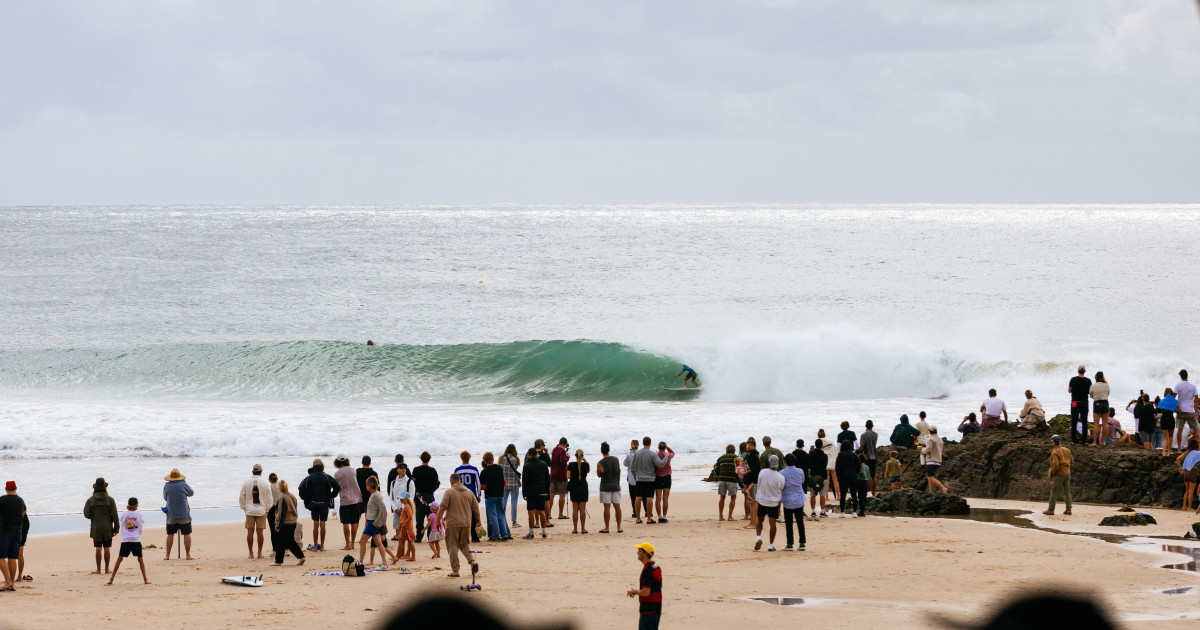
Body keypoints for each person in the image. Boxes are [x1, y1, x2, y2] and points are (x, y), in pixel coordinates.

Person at [438, 473, 482, 578]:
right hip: (466, 523)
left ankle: (455, 570)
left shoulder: (449, 492)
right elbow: (476, 507)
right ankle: (472, 562)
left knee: (452, 545)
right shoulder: (469, 492)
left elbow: (442, 507)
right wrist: (478, 520)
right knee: (464, 544)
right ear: (460, 481)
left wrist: (437, 521)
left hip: (452, 523)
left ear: (451, 481)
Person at [298, 458, 339, 552]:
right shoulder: (327, 477)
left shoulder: (310, 477)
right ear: (322, 466)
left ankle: (316, 546)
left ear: (313, 467)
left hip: (314, 504)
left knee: (316, 524)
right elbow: (337, 486)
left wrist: (306, 499)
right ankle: (323, 546)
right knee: (323, 524)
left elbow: (301, 488)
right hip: (324, 504)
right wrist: (331, 496)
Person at [106, 497, 149, 585]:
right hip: (136, 539)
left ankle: (111, 578)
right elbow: (141, 525)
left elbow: (121, 523)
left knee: (120, 558)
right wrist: (137, 533)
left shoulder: (124, 514)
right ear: (136, 505)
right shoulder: (139, 514)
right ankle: (145, 579)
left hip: (126, 539)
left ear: (129, 504)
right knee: (140, 559)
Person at [359, 476, 399, 566]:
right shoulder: (374, 494)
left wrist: (378, 522)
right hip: (372, 522)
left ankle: (360, 562)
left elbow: (383, 509)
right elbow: (373, 510)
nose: (366, 486)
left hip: (373, 523)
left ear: (370, 485)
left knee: (362, 542)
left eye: (367, 484)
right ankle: (386, 561)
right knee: (379, 543)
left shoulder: (376, 495)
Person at [83, 477, 118, 574]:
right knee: (107, 548)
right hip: (107, 527)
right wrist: (116, 528)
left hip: (96, 528)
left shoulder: (91, 500)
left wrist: (94, 517)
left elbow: (86, 514)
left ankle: (98, 569)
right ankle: (107, 569)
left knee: (98, 547)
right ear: (105, 487)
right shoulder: (110, 500)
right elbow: (115, 515)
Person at [239, 464, 272, 559]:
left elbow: (242, 496)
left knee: (250, 532)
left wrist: (244, 508)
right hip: (261, 510)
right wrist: (267, 509)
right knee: (260, 532)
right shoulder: (265, 483)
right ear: (261, 472)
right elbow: (270, 498)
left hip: (250, 510)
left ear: (252, 471)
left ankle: (250, 553)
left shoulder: (246, 482)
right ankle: (260, 553)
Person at [627, 542, 663, 630]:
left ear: (645, 553)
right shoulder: (656, 566)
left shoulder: (647, 570)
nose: (637, 553)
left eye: (639, 551)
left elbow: (646, 592)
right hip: (656, 607)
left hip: (649, 609)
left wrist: (634, 591)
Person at [753, 455, 785, 551]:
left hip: (762, 499)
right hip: (773, 502)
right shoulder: (780, 477)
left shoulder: (762, 472)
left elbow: (759, 483)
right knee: (772, 523)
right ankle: (770, 545)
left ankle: (758, 537)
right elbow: (781, 488)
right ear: (778, 463)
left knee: (760, 520)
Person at [270, 479, 305, 566]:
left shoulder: (282, 498)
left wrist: (278, 525)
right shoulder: (292, 496)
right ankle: (301, 556)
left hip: (285, 523)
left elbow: (282, 512)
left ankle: (278, 561)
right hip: (293, 522)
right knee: (289, 541)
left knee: (280, 542)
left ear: (279, 488)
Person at [163, 468, 195, 560]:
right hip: (183, 513)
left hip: (171, 513)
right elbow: (191, 493)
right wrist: (185, 483)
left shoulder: (166, 486)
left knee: (170, 534)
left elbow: (165, 498)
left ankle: (167, 555)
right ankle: (188, 555)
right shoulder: (183, 485)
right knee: (187, 533)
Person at [0, 481, 27, 591]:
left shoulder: (2, 500)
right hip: (18, 532)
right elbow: (24, 513)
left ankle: (8, 581)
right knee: (12, 557)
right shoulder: (20, 500)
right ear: (15, 488)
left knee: (1, 557)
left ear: (6, 489)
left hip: (5, 531)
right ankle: (11, 583)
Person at [331, 455, 361, 550]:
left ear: (337, 462)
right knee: (354, 522)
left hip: (344, 500)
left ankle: (347, 544)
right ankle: (352, 543)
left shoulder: (337, 473)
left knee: (346, 523)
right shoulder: (353, 470)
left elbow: (335, 486)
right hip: (355, 499)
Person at [479, 452, 510, 541]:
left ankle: (495, 535)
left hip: (490, 495)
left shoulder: (484, 471)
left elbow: (483, 486)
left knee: (493, 516)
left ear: (485, 461)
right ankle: (504, 534)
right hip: (500, 494)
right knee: (501, 514)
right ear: (492, 459)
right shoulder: (499, 468)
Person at [454, 451, 483, 543]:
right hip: (472, 495)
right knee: (473, 517)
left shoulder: (457, 470)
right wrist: (479, 495)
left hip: (460, 495)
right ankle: (475, 537)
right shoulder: (474, 469)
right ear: (469, 458)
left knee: (462, 516)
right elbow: (478, 483)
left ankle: (463, 537)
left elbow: (454, 483)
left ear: (461, 458)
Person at [521, 448, 551, 539]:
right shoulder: (543, 464)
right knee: (541, 511)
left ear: (529, 455)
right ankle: (544, 532)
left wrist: (524, 493)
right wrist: (547, 491)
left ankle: (531, 532)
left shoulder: (527, 466)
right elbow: (547, 479)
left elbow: (524, 481)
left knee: (531, 512)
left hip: (531, 491)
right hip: (542, 491)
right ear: (537, 455)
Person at [631, 436, 661, 524]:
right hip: (650, 479)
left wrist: (635, 476)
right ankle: (648, 518)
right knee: (649, 498)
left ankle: (638, 518)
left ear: (643, 443)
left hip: (639, 479)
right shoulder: (652, 454)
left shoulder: (637, 453)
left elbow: (633, 467)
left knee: (638, 497)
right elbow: (659, 464)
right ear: (650, 443)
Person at [779, 453, 806, 550]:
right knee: (800, 522)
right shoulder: (800, 471)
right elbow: (802, 481)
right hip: (798, 499)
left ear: (785, 462)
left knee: (789, 523)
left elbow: (781, 485)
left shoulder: (781, 473)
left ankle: (790, 544)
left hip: (787, 500)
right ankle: (802, 543)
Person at [411, 452, 439, 543]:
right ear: (429, 459)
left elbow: (413, 483)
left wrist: (417, 492)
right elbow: (437, 483)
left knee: (419, 518)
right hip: (430, 496)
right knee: (430, 517)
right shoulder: (432, 470)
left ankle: (419, 537)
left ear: (421, 458)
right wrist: (432, 490)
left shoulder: (416, 470)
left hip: (420, 496)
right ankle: (430, 536)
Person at [1043, 435, 1074, 516]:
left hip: (1059, 474)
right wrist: (1068, 468)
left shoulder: (1054, 452)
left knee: (1054, 492)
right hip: (1067, 473)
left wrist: (1052, 473)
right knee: (1067, 492)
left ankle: (1050, 509)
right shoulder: (1066, 449)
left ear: (1053, 443)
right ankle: (1068, 509)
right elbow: (1072, 461)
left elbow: (1055, 465)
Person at [597, 442, 624, 533]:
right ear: (609, 450)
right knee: (617, 507)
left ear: (601, 451)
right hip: (616, 485)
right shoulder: (616, 459)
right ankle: (619, 527)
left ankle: (607, 527)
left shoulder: (600, 463)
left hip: (605, 486)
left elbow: (599, 474)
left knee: (607, 508)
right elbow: (618, 471)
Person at [915, 427, 948, 493]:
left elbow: (928, 449)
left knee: (930, 477)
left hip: (931, 460)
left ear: (929, 432)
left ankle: (943, 488)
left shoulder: (930, 439)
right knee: (930, 477)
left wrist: (922, 450)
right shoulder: (940, 439)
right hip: (938, 460)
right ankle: (930, 491)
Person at [834, 439, 860, 518]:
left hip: (843, 477)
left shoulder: (840, 455)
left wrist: (839, 476)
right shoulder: (854, 455)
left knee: (843, 495)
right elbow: (858, 466)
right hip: (853, 476)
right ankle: (855, 512)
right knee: (854, 494)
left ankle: (842, 512)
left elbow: (837, 467)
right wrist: (856, 473)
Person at [713, 445, 739, 521]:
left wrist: (719, 477)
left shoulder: (721, 458)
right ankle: (730, 516)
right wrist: (737, 478)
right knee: (733, 497)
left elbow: (716, 469)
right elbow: (739, 469)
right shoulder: (736, 458)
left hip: (722, 479)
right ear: (734, 450)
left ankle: (721, 516)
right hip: (732, 479)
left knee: (722, 497)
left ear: (726, 450)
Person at [1068, 365, 1093, 444]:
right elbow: (1089, 392)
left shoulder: (1073, 379)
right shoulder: (1088, 381)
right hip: (1084, 403)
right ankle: (1084, 440)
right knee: (1084, 421)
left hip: (1075, 402)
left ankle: (1074, 440)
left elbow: (1069, 390)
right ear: (1084, 371)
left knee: (1074, 421)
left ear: (1078, 371)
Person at [499, 444, 522, 527]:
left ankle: (502, 520)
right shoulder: (515, 459)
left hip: (504, 483)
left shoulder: (501, 458)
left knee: (503, 502)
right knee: (514, 502)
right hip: (514, 483)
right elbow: (515, 469)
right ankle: (514, 522)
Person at [568, 449, 590, 534]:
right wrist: (584, 460)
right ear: (582, 455)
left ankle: (575, 529)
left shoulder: (571, 464)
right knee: (582, 509)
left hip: (574, 486)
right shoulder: (586, 465)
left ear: (575, 455)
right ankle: (583, 528)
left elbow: (568, 476)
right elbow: (587, 471)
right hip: (583, 486)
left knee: (575, 509)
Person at [388, 462, 413, 538]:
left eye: (404, 468)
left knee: (406, 535)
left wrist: (403, 509)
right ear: (397, 470)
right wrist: (395, 509)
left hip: (405, 510)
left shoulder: (410, 482)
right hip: (396, 511)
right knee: (398, 534)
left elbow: (411, 497)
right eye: (401, 468)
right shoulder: (393, 483)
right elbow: (391, 498)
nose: (403, 469)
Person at [550, 437, 571, 521]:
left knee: (552, 494)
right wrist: (567, 457)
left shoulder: (554, 449)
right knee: (562, 494)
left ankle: (548, 514)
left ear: (559, 443)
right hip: (561, 475)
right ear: (565, 444)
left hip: (553, 474)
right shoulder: (562, 451)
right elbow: (562, 461)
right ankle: (560, 514)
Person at [653, 442, 674, 523]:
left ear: (658, 448)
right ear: (664, 447)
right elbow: (673, 453)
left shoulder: (655, 455)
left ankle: (659, 516)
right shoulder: (668, 454)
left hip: (658, 477)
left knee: (658, 498)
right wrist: (668, 447)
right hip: (667, 477)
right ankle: (664, 517)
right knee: (665, 499)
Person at [807, 439, 829, 519]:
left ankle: (813, 511)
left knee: (813, 495)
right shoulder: (825, 456)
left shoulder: (811, 454)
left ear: (815, 445)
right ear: (822, 446)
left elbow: (809, 465)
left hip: (813, 476)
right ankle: (822, 512)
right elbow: (825, 466)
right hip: (822, 476)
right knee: (822, 494)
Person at [393, 491, 417, 561]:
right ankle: (399, 556)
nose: (400, 500)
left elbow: (410, 517)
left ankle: (412, 557)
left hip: (407, 527)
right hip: (405, 527)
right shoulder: (406, 506)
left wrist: (404, 523)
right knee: (402, 540)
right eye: (400, 498)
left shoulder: (407, 507)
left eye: (402, 499)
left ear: (406, 499)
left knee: (410, 541)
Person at [1090, 372, 1111, 446]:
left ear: (1096, 377)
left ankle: (1094, 442)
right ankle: (1103, 442)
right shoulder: (1107, 385)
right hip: (1105, 403)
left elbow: (1091, 395)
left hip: (1097, 403)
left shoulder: (1093, 385)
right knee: (1105, 423)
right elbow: (1108, 394)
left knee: (1096, 424)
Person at [1176, 370, 1199, 440]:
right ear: (1187, 375)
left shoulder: (1178, 385)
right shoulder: (1193, 386)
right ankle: (1198, 447)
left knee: (1180, 430)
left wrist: (1175, 408)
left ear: (1180, 376)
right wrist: (1196, 412)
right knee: (1196, 429)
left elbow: (1173, 398)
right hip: (1190, 410)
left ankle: (1179, 449)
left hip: (1181, 411)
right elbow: (1196, 399)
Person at [1178, 439, 1200, 511]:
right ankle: (1189, 507)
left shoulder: (1187, 452)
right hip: (1192, 471)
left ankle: (1184, 506)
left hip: (1186, 472)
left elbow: (1177, 459)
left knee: (1187, 490)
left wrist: (1180, 467)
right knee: (1191, 491)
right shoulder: (1198, 453)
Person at [357, 456, 379, 523]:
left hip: (359, 498)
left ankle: (353, 534)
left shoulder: (357, 472)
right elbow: (377, 487)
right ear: (370, 463)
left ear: (362, 462)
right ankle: (366, 533)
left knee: (356, 520)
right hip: (370, 498)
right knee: (368, 519)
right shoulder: (374, 473)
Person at [859, 421, 878, 496]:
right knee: (873, 475)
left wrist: (857, 450)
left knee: (868, 475)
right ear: (872, 426)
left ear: (865, 426)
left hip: (867, 456)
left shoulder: (863, 435)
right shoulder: (875, 434)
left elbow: (862, 447)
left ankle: (869, 492)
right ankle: (873, 493)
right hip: (875, 456)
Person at [1161, 389, 1180, 457]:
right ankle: (1169, 452)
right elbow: (1179, 410)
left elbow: (1159, 410)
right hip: (1170, 419)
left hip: (1163, 419)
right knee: (1170, 436)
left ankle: (1163, 452)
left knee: (1165, 437)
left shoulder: (1162, 401)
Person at [625, 439, 640, 517]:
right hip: (640, 477)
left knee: (633, 496)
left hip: (631, 477)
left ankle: (635, 512)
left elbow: (625, 463)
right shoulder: (639, 454)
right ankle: (646, 511)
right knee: (641, 496)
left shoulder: (629, 455)